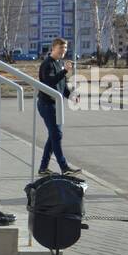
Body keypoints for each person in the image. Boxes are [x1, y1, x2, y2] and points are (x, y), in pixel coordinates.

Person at [36, 38, 82, 177]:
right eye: (61, 48)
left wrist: (71, 96)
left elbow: (61, 85)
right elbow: (49, 83)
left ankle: (43, 168)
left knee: (53, 136)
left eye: (65, 48)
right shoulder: (47, 64)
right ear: (53, 48)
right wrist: (64, 71)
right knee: (57, 135)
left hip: (55, 104)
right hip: (46, 104)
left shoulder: (59, 63)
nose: (64, 51)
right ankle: (64, 167)